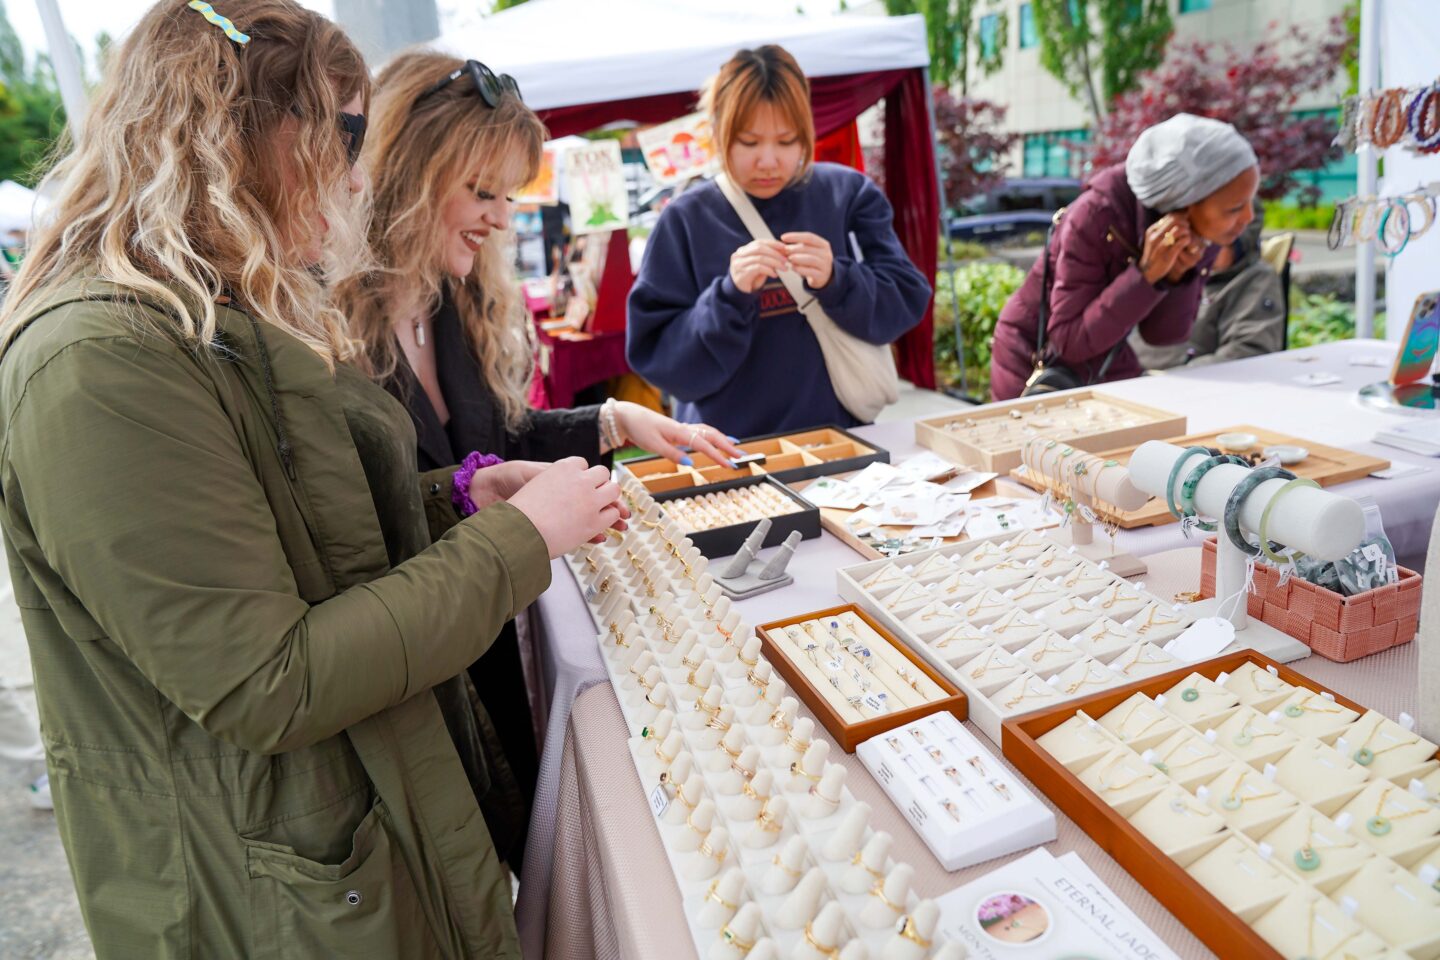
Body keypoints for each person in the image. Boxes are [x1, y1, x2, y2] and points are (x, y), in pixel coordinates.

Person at [0, 2, 625, 956]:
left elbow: (291, 539)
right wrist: (518, 542)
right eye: (343, 136)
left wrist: (453, 500)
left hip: (332, 847)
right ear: (237, 134)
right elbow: (267, 678)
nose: (356, 175)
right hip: (265, 888)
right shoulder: (100, 362)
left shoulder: (208, 316)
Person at [338, 50, 742, 866]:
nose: (498, 218)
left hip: (480, 639)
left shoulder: (453, 297)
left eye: (507, 196)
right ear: (406, 177)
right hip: (404, 675)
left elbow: (494, 448)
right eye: (479, 192)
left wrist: (613, 419)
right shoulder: (329, 323)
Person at [626, 45, 932, 436]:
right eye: (750, 143)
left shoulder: (847, 194)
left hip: (840, 443)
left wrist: (838, 280)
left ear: (806, 134)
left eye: (786, 141)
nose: (768, 161)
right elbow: (660, 360)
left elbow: (907, 301)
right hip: (727, 453)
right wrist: (730, 295)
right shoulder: (684, 219)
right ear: (719, 134)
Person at [989, 113, 1260, 400]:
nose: (1248, 217)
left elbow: (1164, 336)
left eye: (1250, 202)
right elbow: (1068, 341)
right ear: (1183, 203)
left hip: (1106, 358)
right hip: (1034, 362)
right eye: (1234, 208)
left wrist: (1176, 276)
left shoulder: (1197, 232)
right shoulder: (1095, 215)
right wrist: (1146, 275)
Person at [1129, 206, 1285, 370]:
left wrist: (1166, 380)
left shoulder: (1254, 278)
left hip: (1176, 384)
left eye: (1211, 243)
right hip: (1127, 377)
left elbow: (1248, 353)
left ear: (1235, 244)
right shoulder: (1169, 267)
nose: (1198, 247)